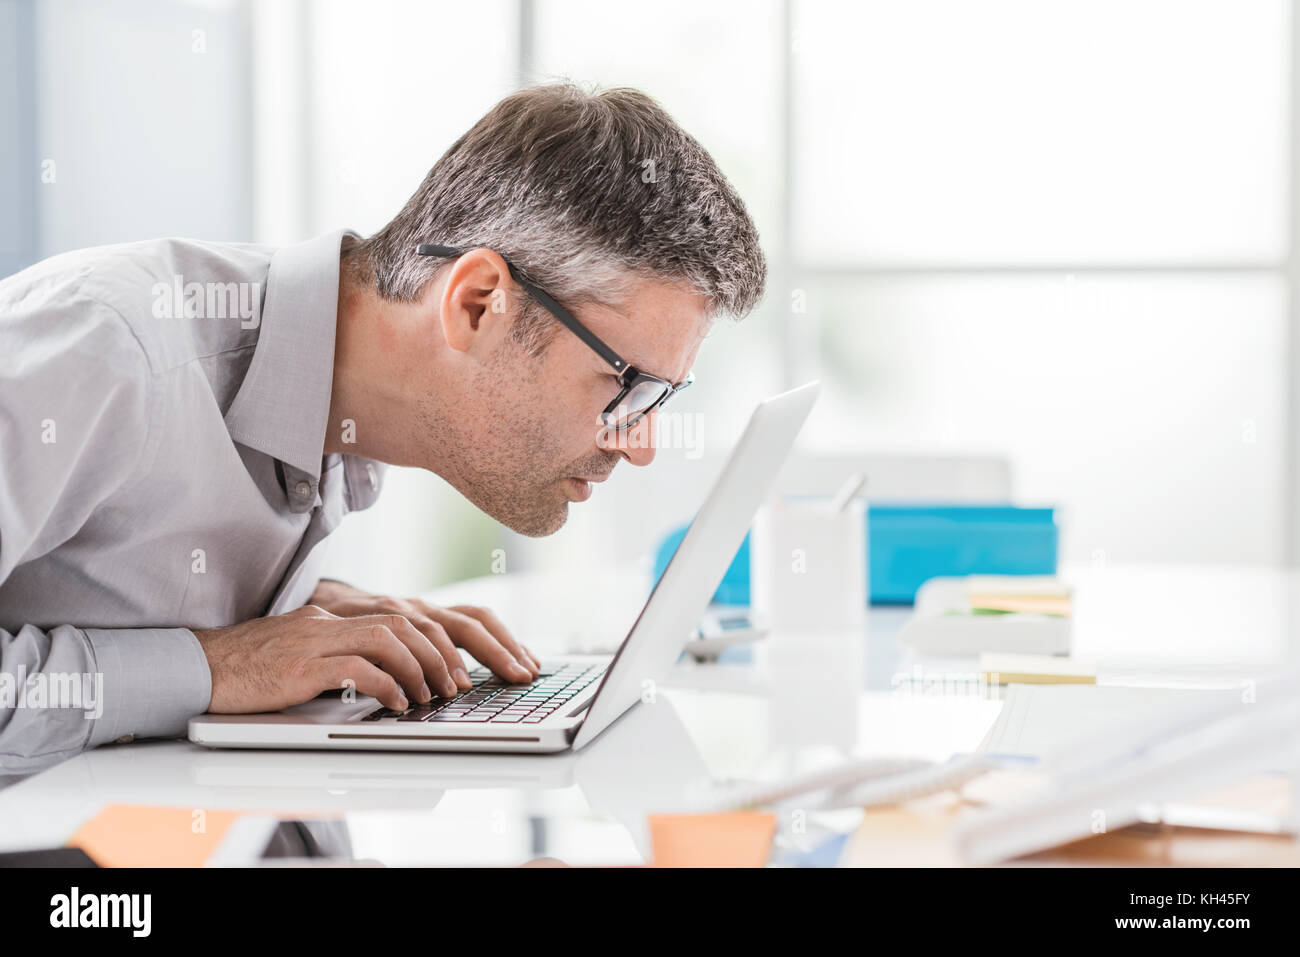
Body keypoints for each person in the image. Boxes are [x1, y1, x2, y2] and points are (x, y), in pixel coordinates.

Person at [0, 83, 766, 770]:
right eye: (628, 384)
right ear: (478, 304)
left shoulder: (341, 418)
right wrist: (215, 665)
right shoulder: (110, 351)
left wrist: (294, 612)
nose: (640, 444)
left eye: (663, 397)